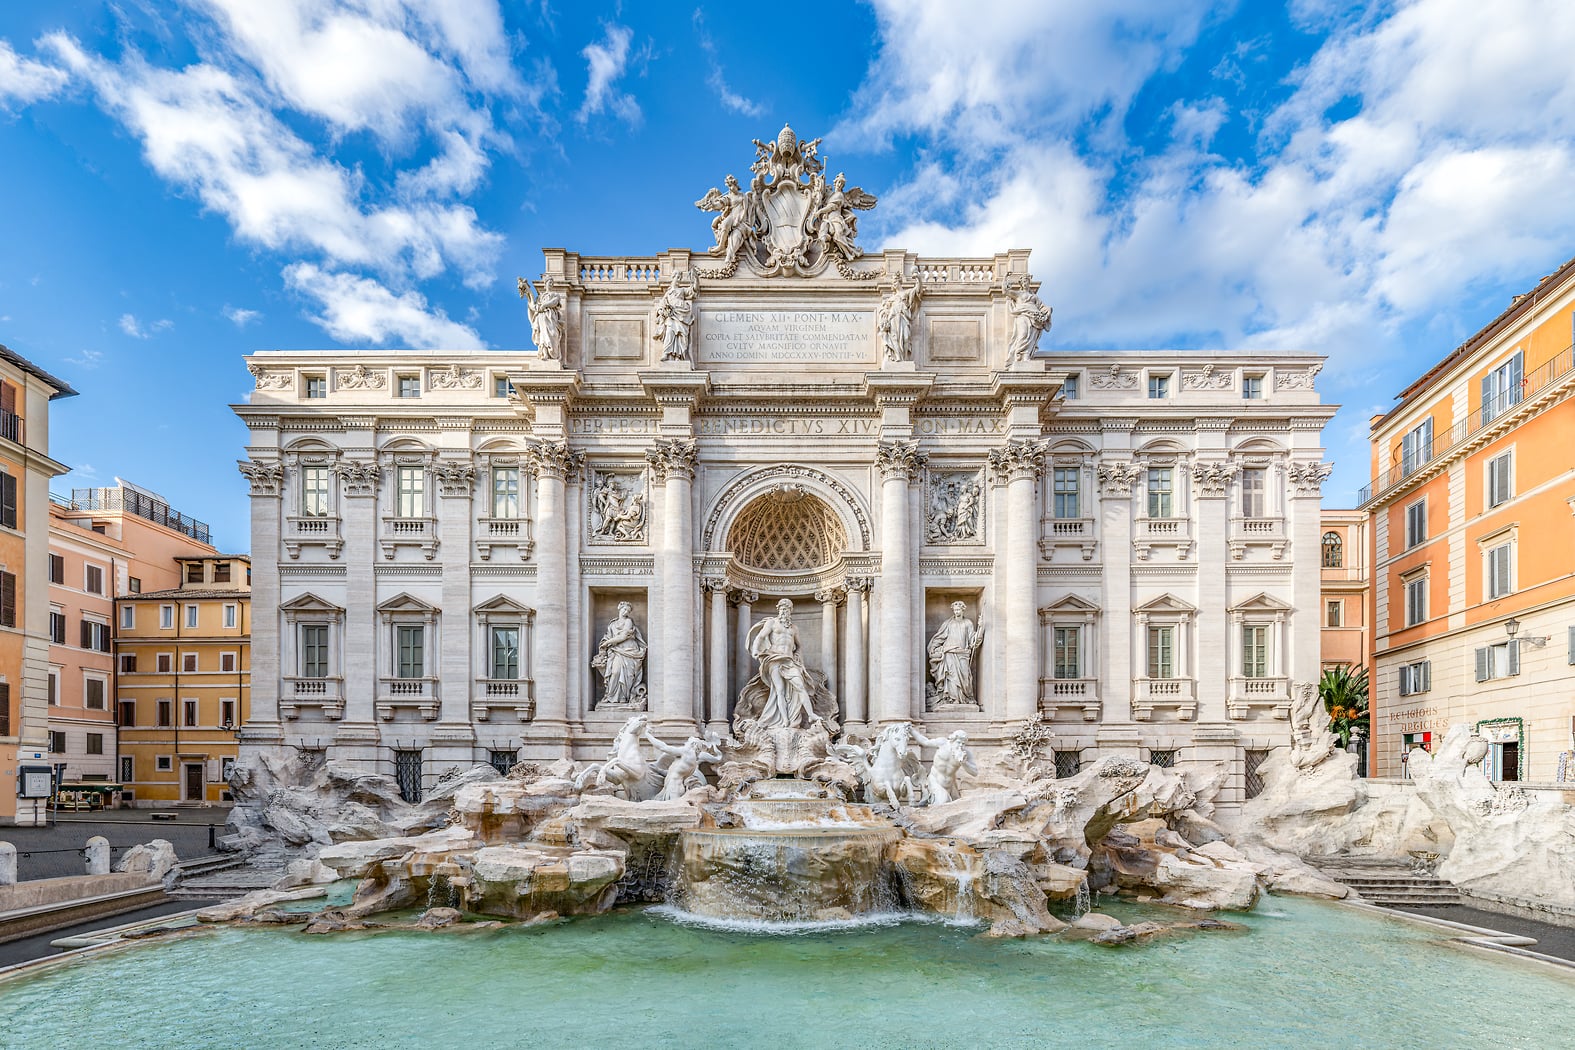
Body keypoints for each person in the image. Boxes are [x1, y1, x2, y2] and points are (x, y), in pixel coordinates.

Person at [748, 599, 816, 728]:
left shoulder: (794, 628)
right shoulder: (772, 623)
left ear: (791, 611)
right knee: (779, 691)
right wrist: (755, 650)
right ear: (778, 609)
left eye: (787, 608)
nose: (784, 611)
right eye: (782, 608)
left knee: (800, 686)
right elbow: (760, 637)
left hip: (789, 661)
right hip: (774, 659)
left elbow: (799, 646)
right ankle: (785, 720)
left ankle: (811, 714)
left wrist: (800, 661)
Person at [927, 601, 983, 706]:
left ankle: (964, 698)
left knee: (965, 678)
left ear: (963, 610)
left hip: (963, 654)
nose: (957, 612)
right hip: (949, 653)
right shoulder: (948, 623)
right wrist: (933, 647)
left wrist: (980, 628)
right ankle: (952, 699)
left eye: (958, 610)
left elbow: (973, 641)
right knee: (951, 677)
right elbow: (940, 637)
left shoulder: (968, 623)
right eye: (955, 610)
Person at [592, 602, 647, 707]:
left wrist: (607, 643)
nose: (626, 612)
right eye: (624, 609)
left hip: (629, 650)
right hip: (616, 651)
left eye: (628, 611)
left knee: (627, 675)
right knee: (615, 672)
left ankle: (623, 698)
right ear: (619, 608)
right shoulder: (612, 624)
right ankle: (611, 697)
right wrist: (604, 645)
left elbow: (623, 636)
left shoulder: (628, 621)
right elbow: (607, 637)